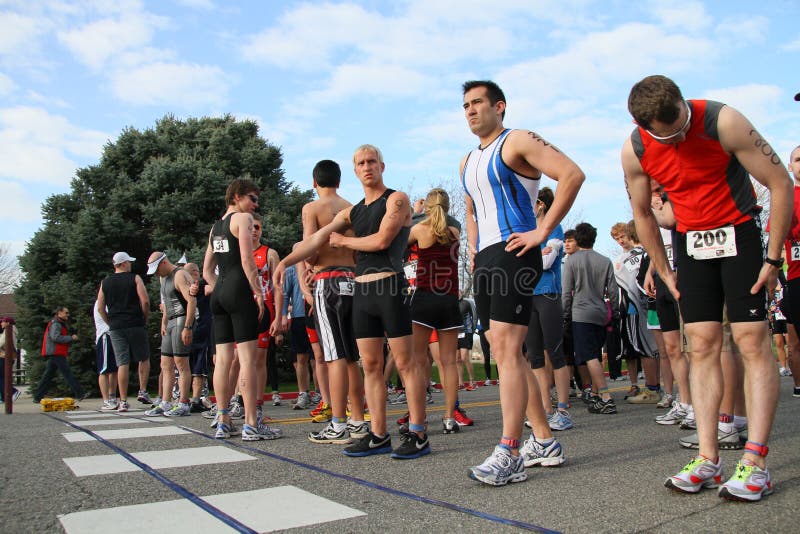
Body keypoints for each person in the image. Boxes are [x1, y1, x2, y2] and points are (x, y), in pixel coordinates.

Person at [623, 74, 792, 501]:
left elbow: (780, 183)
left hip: (740, 234)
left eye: (680, 127)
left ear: (683, 104)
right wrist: (662, 268)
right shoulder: (636, 148)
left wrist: (773, 259)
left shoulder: (724, 120)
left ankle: (755, 462)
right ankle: (708, 457)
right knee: (700, 344)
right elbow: (642, 212)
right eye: (666, 136)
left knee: (752, 341)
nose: (677, 139)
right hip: (690, 243)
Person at [461, 80, 584, 485]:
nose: (471, 110)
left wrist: (542, 232)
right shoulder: (466, 161)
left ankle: (510, 451)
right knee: (505, 350)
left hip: (518, 247)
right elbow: (474, 210)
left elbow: (571, 174)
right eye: (466, 105)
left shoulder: (516, 141)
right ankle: (543, 439)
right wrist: (474, 249)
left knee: (509, 349)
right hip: (489, 257)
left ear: (500, 106)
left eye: (478, 102)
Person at [275, 145, 428, 459]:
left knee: (405, 363)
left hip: (389, 286)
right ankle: (378, 435)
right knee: (369, 365)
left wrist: (344, 241)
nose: (367, 166)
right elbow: (316, 239)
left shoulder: (396, 199)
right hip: (361, 292)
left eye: (372, 161)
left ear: (382, 166)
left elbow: (383, 240)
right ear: (355, 171)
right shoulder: (351, 212)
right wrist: (285, 262)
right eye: (361, 163)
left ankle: (418, 432)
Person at [281, 159, 368, 444]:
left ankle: (338, 423)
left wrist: (306, 265)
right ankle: (358, 420)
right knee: (353, 357)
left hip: (327, 281)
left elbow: (312, 247)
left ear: (314, 183)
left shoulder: (312, 208)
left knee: (334, 357)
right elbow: (357, 253)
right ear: (340, 182)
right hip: (352, 280)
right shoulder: (352, 207)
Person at [203, 178, 281, 441]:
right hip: (239, 291)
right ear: (237, 196)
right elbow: (247, 260)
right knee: (246, 359)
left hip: (221, 293)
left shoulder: (215, 228)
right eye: (252, 198)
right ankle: (250, 424)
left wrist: (219, 288)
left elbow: (206, 270)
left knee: (223, 360)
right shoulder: (243, 220)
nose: (255, 205)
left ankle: (223, 419)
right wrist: (257, 292)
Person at [407, 188, 463, 434]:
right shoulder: (455, 232)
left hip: (424, 298)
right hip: (449, 300)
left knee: (418, 362)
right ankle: (450, 418)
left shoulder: (419, 229)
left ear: (427, 208)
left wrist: (417, 213)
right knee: (449, 362)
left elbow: (398, 248)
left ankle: (418, 416)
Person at [525, 186, 573, 431]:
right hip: (528, 296)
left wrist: (530, 255)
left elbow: (545, 263)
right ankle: (545, 409)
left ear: (541, 204)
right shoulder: (527, 229)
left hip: (548, 294)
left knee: (555, 353)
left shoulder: (555, 228)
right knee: (534, 357)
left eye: (531, 202)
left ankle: (563, 410)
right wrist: (535, 253)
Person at [562, 223, 620, 416]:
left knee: (589, 356)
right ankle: (595, 394)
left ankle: (606, 397)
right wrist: (616, 312)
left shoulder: (571, 261)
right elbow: (613, 291)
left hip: (581, 312)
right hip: (600, 312)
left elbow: (566, 293)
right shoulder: (605, 261)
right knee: (595, 353)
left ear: (577, 239)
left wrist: (565, 314)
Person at [144, 251, 197, 417]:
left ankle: (183, 402)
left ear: (164, 263)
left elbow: (191, 301)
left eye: (157, 269)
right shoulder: (162, 278)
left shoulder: (179, 275)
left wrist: (188, 327)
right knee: (165, 363)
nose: (156, 274)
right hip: (170, 322)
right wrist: (164, 320)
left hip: (182, 319)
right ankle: (165, 402)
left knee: (181, 363)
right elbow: (165, 301)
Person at [97, 251, 151, 412]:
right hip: (135, 323)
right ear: (123, 263)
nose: (130, 264)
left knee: (122, 363)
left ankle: (123, 400)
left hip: (116, 326)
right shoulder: (134, 278)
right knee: (143, 357)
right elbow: (145, 301)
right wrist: (144, 318)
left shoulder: (105, 282)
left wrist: (110, 321)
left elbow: (100, 307)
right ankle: (142, 390)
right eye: (129, 262)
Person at [33, 306, 86, 402]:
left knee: (48, 376)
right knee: (67, 373)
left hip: (55, 352)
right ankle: (80, 393)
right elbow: (56, 337)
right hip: (56, 352)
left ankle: (37, 397)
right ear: (59, 313)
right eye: (66, 313)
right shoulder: (56, 324)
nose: (68, 315)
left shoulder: (57, 323)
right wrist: (71, 338)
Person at [184, 262, 213, 412]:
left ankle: (194, 399)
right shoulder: (186, 288)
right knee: (194, 365)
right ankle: (192, 399)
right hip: (195, 329)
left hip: (200, 329)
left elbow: (209, 289)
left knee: (197, 365)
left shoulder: (202, 285)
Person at [93, 298, 118, 411]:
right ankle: (106, 399)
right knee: (104, 370)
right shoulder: (101, 302)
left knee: (114, 370)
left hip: (113, 336)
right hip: (105, 336)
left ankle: (112, 397)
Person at [0, 316, 21, 403]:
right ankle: (5, 397)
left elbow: (1, 342)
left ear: (8, 323)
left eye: (3, 322)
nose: (1, 323)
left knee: (2, 376)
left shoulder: (9, 331)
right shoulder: (10, 331)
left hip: (5, 356)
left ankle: (13, 391)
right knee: (2, 376)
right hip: (6, 356)